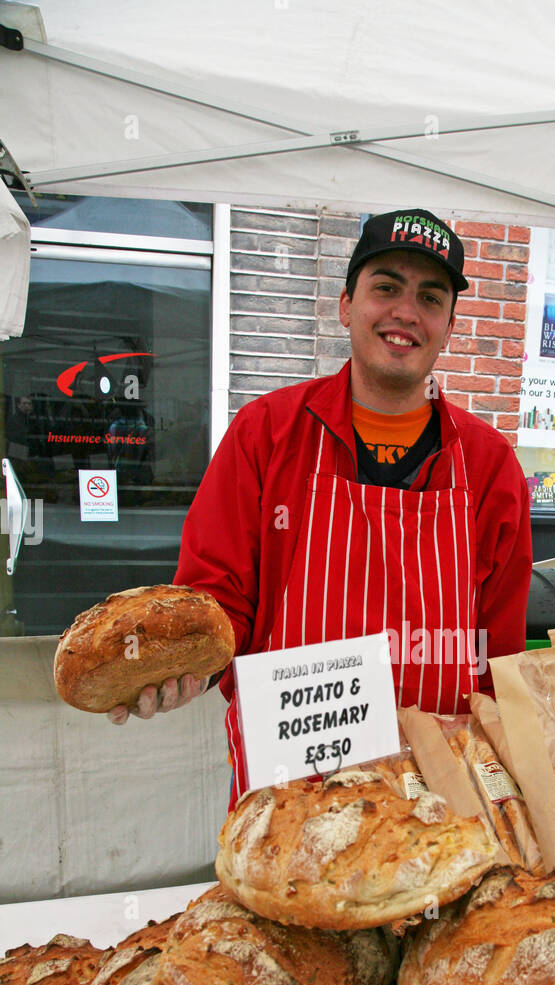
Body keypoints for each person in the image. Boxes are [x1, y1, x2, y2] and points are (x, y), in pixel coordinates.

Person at [109, 209, 533, 807]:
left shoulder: (490, 467)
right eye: (385, 287)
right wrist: (184, 666)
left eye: (430, 298)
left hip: (437, 804)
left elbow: (498, 658)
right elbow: (217, 599)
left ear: (448, 325)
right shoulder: (267, 434)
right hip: (288, 795)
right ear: (345, 305)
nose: (406, 312)